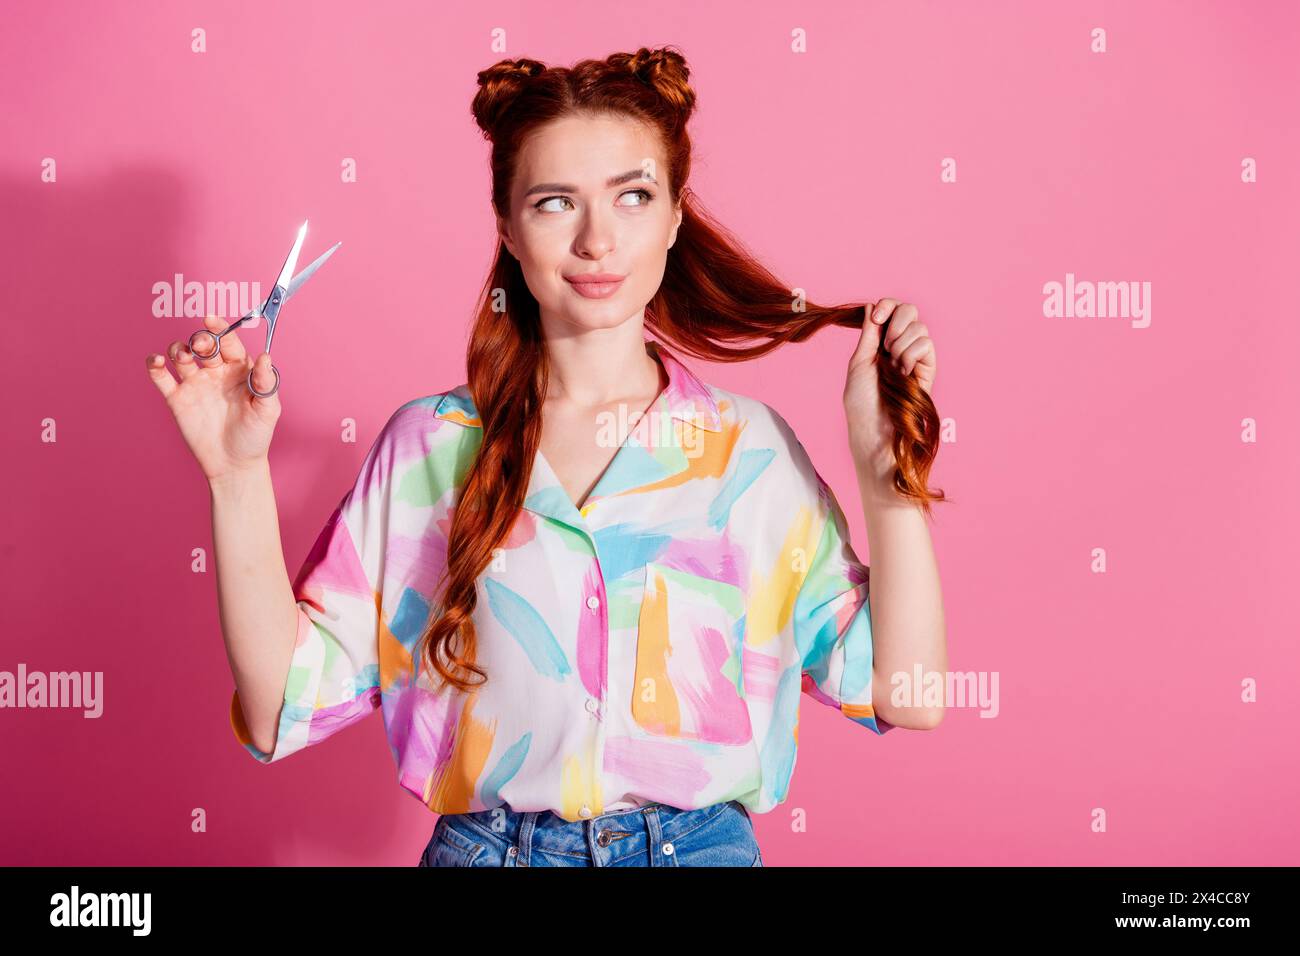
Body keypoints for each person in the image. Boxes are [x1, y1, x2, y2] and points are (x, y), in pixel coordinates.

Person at [145, 45, 948, 868]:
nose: (598, 240)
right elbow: (282, 703)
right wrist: (235, 477)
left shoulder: (752, 453)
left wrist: (889, 478)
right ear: (507, 226)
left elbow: (905, 693)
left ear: (674, 216)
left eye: (633, 197)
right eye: (556, 202)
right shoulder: (431, 448)